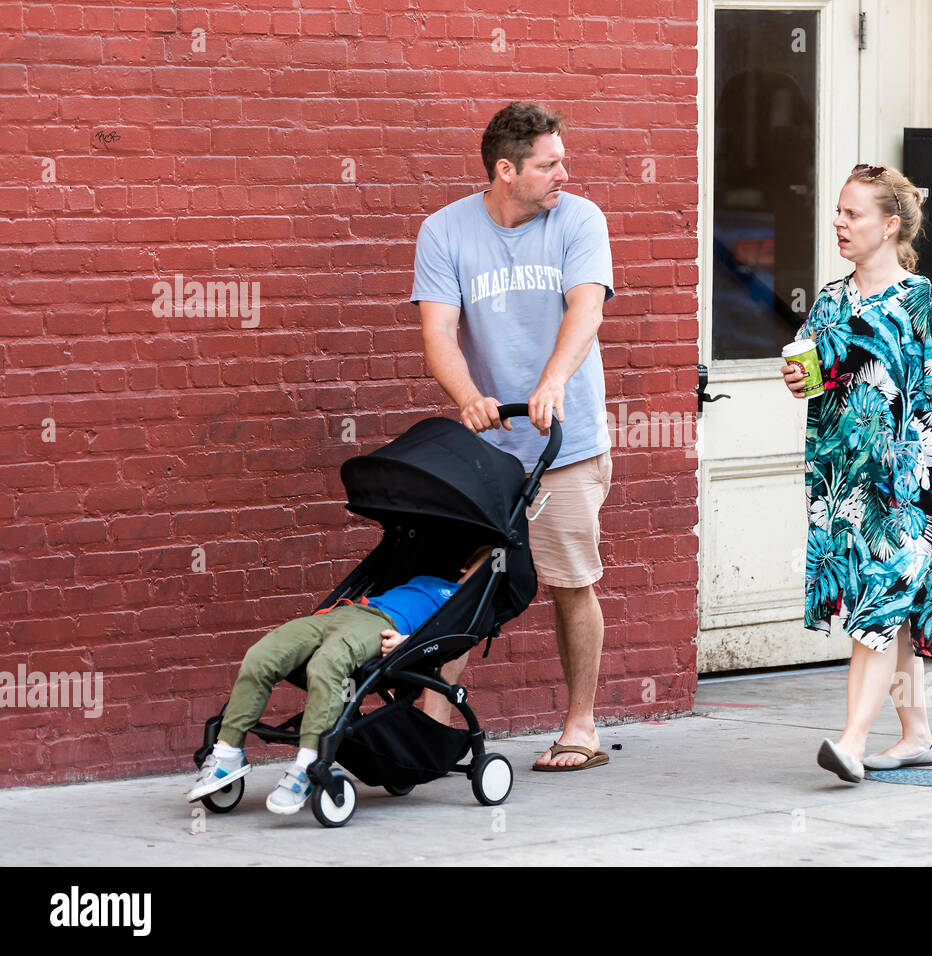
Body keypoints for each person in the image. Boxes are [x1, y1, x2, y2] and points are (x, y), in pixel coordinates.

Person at [781, 163, 932, 783]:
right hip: (843, 486)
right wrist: (800, 377)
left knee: (878, 609)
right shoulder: (829, 300)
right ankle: (916, 735)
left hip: (910, 489)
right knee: (893, 611)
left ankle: (852, 742)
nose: (838, 222)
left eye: (852, 214)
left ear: (889, 226)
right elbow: (816, 380)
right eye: (838, 210)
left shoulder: (923, 303)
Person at [410, 101, 615, 771]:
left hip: (565, 440)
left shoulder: (578, 220)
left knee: (568, 581)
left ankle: (581, 725)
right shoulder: (444, 232)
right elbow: (439, 330)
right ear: (506, 170)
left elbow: (585, 307)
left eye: (563, 160)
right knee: (466, 580)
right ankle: (430, 724)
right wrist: (468, 398)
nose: (565, 172)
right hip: (489, 449)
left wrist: (553, 380)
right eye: (549, 164)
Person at [186, 546, 494, 812]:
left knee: (327, 665)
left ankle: (308, 767)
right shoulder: (427, 581)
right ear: (467, 566)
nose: (490, 575)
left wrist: (408, 642)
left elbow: (448, 638)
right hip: (346, 611)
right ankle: (227, 756)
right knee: (262, 655)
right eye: (487, 565)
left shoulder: (467, 607)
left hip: (384, 627)